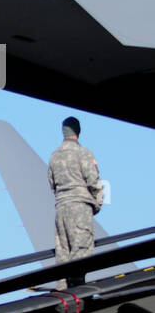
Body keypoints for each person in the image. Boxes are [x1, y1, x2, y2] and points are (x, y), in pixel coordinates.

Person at [48, 116, 103, 288]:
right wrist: (97, 203)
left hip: (61, 209)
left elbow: (52, 184)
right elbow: (94, 182)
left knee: (63, 254)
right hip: (80, 207)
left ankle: (62, 296)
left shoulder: (54, 157)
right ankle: (78, 296)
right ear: (78, 132)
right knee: (81, 253)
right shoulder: (83, 153)